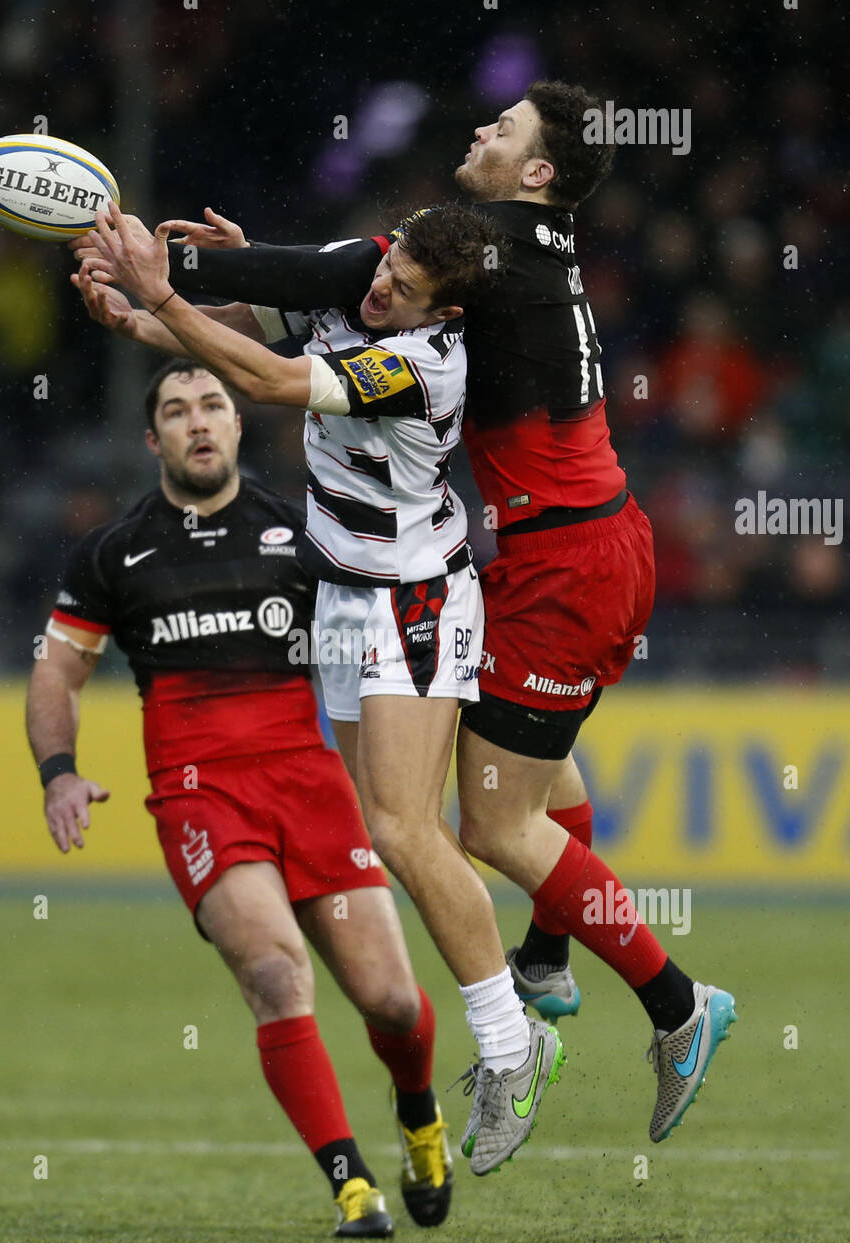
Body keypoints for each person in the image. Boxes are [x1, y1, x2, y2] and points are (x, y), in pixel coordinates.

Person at [77, 79, 736, 1146]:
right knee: (510, 784)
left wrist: (164, 277)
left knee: (459, 821)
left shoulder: (455, 304)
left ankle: (644, 1010)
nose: (479, 127)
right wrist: (155, 315)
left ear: (532, 176)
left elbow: (293, 339)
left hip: (527, 570)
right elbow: (306, 304)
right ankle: (546, 964)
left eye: (503, 127)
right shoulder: (473, 261)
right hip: (527, 556)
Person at [76, 201, 566, 1177]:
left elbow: (261, 379)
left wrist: (162, 287)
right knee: (376, 823)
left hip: (413, 598)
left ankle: (511, 1042)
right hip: (343, 595)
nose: (380, 292)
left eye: (404, 294)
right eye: (386, 272)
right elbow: (261, 324)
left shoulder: (418, 365)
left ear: (446, 314)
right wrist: (142, 319)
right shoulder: (369, 276)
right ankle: (480, 1019)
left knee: (400, 828)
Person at [26, 357, 455, 1236]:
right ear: (154, 439)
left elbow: (371, 659)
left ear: (234, 423)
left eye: (212, 404)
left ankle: (418, 1113)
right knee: (271, 971)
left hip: (309, 782)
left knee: (394, 1004)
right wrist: (58, 771)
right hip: (199, 795)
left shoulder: (301, 535)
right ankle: (350, 1185)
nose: (198, 421)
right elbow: (57, 674)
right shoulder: (114, 553)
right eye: (177, 411)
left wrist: (402, 780)